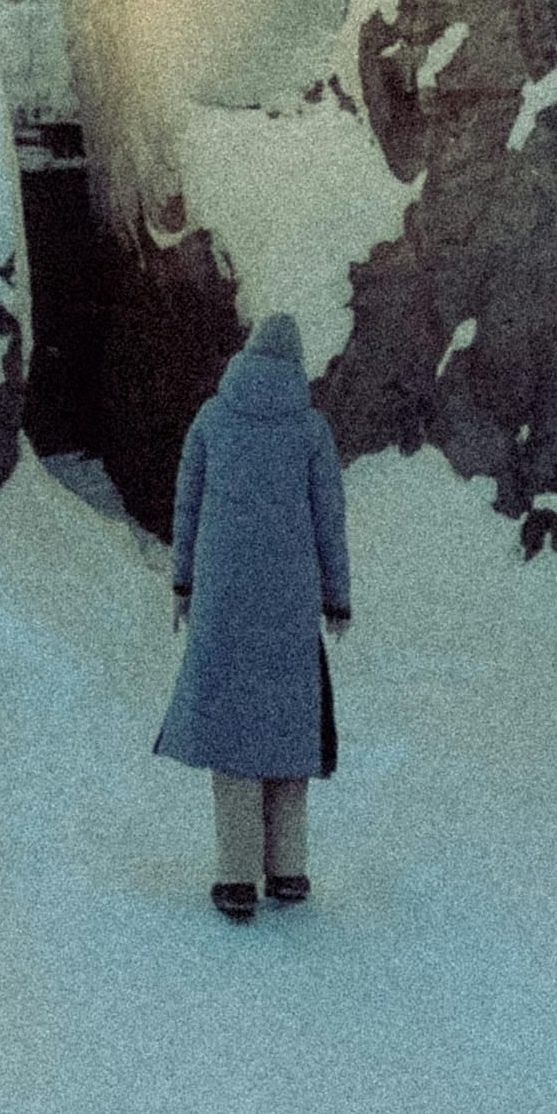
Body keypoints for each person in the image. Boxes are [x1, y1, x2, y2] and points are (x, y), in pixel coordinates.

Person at [153, 311, 351, 922]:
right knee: (289, 730)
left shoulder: (211, 420)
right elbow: (329, 523)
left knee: (234, 732)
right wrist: (337, 598)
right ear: (295, 368)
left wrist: (183, 582)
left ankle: (236, 879)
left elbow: (185, 507)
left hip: (223, 599)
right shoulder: (311, 431)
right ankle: (286, 870)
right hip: (290, 606)